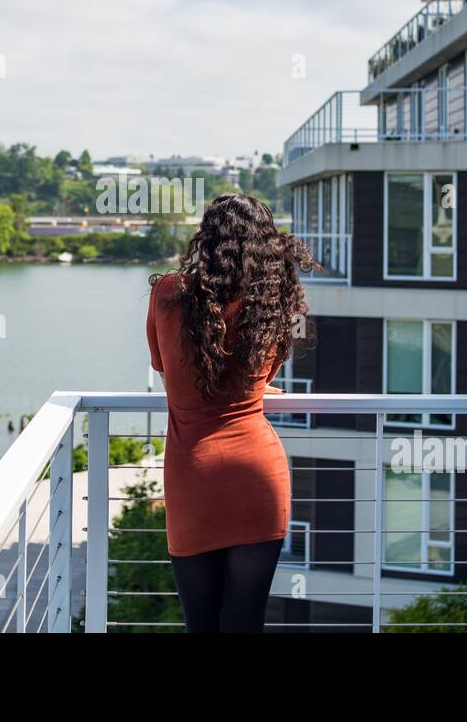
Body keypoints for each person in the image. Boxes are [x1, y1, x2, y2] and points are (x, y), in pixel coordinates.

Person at [146, 193, 317, 632]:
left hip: (193, 479)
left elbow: (165, 368)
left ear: (206, 239)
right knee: (246, 623)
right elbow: (257, 377)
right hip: (258, 476)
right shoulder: (270, 309)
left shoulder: (168, 294)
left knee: (201, 625)